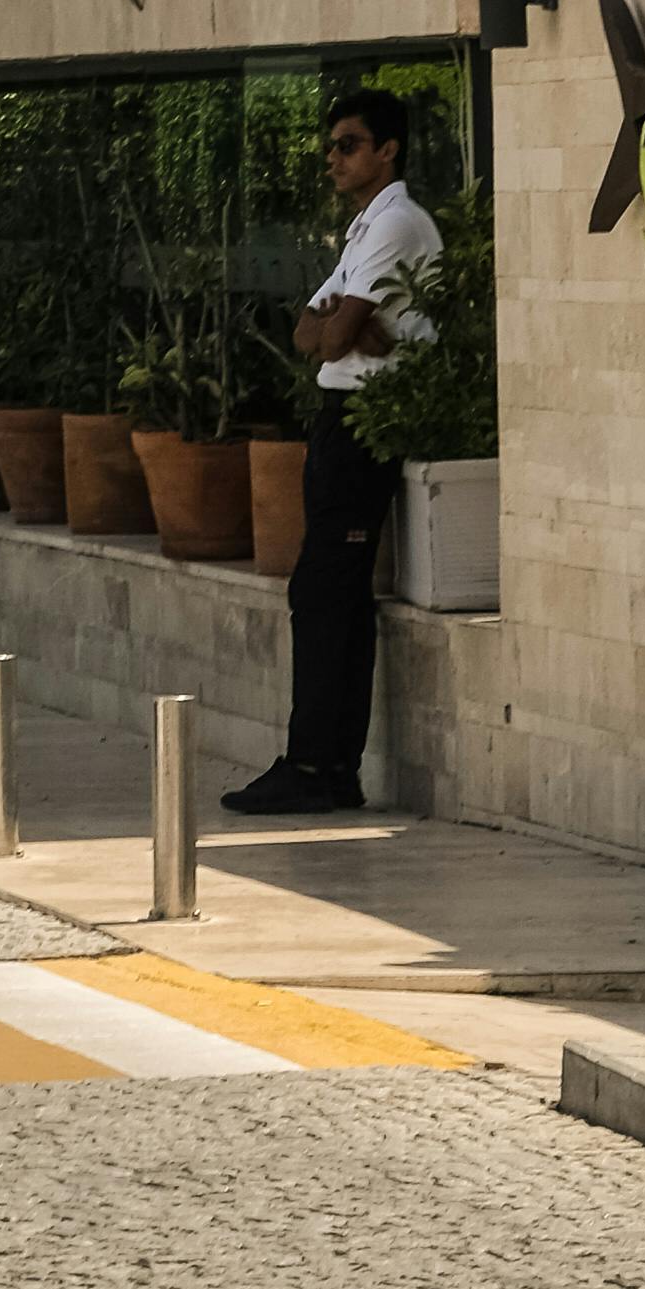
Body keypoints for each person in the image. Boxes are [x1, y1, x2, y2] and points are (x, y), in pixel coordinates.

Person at [223, 90, 440, 820]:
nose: (334, 159)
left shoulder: (399, 223)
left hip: (364, 421)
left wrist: (341, 325)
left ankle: (316, 764)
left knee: (326, 591)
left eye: (349, 145)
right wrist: (337, 325)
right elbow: (305, 331)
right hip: (339, 416)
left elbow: (339, 334)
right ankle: (326, 766)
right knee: (329, 594)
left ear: (388, 150)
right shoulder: (363, 229)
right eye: (331, 147)